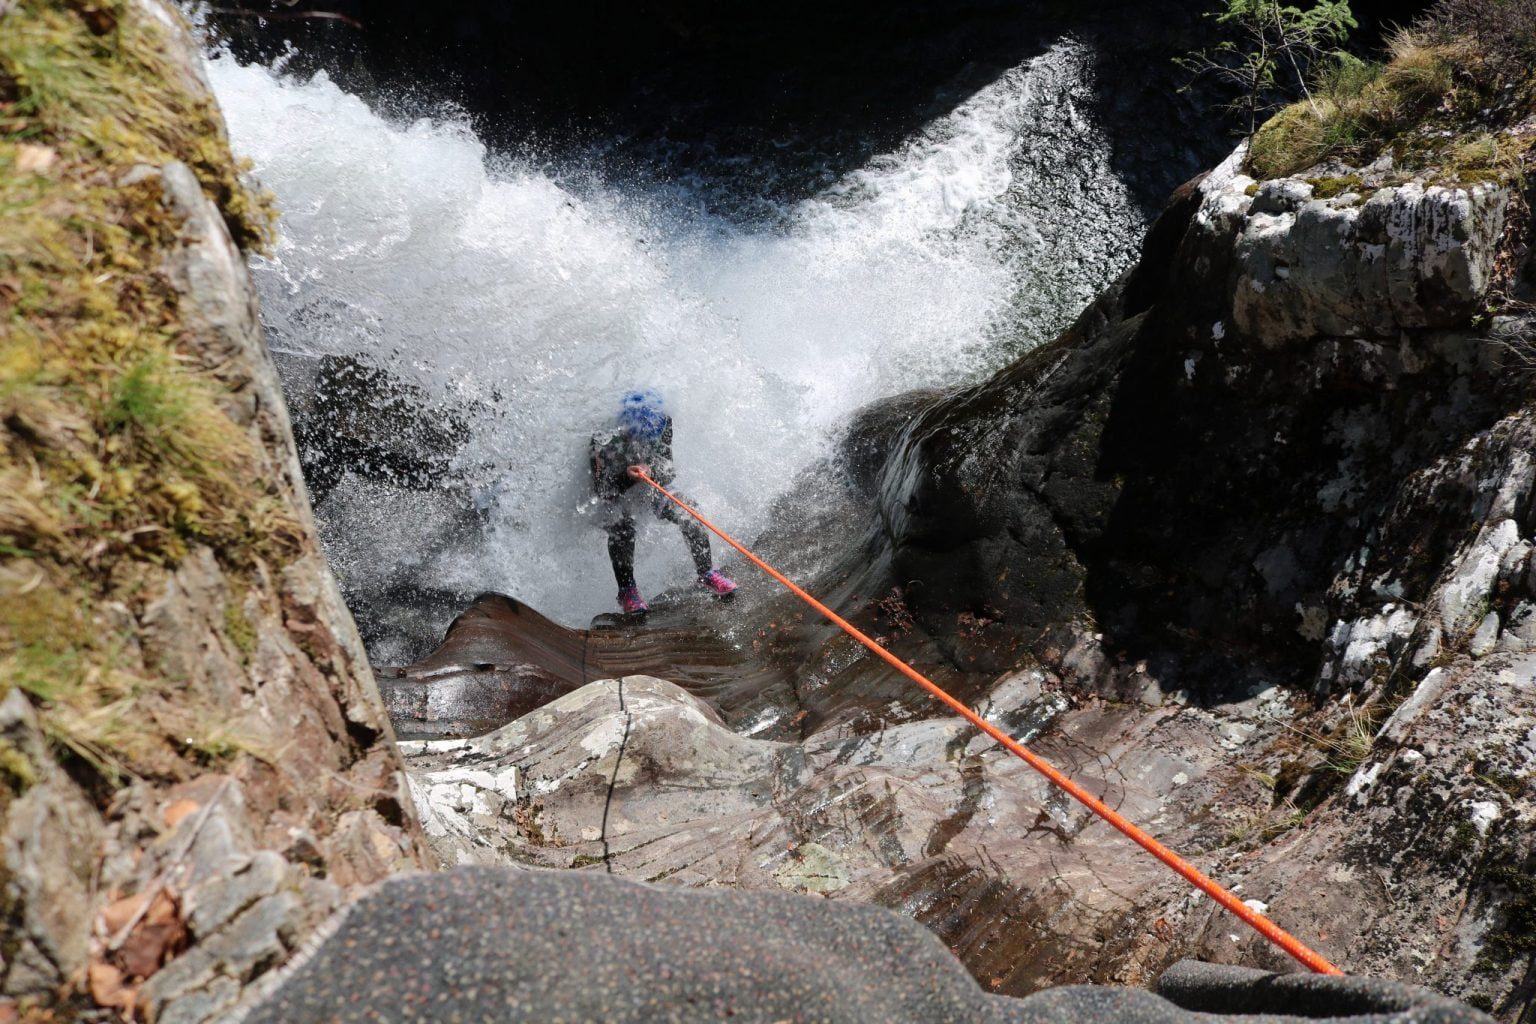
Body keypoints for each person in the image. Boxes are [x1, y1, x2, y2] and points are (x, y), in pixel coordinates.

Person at [591, 390, 737, 614]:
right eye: (636, 437)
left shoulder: (663, 421)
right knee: (622, 527)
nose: (641, 441)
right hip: (616, 491)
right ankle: (627, 590)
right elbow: (603, 490)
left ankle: (706, 573)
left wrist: (650, 470)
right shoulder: (602, 438)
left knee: (689, 510)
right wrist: (627, 477)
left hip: (650, 484)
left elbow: (668, 472)